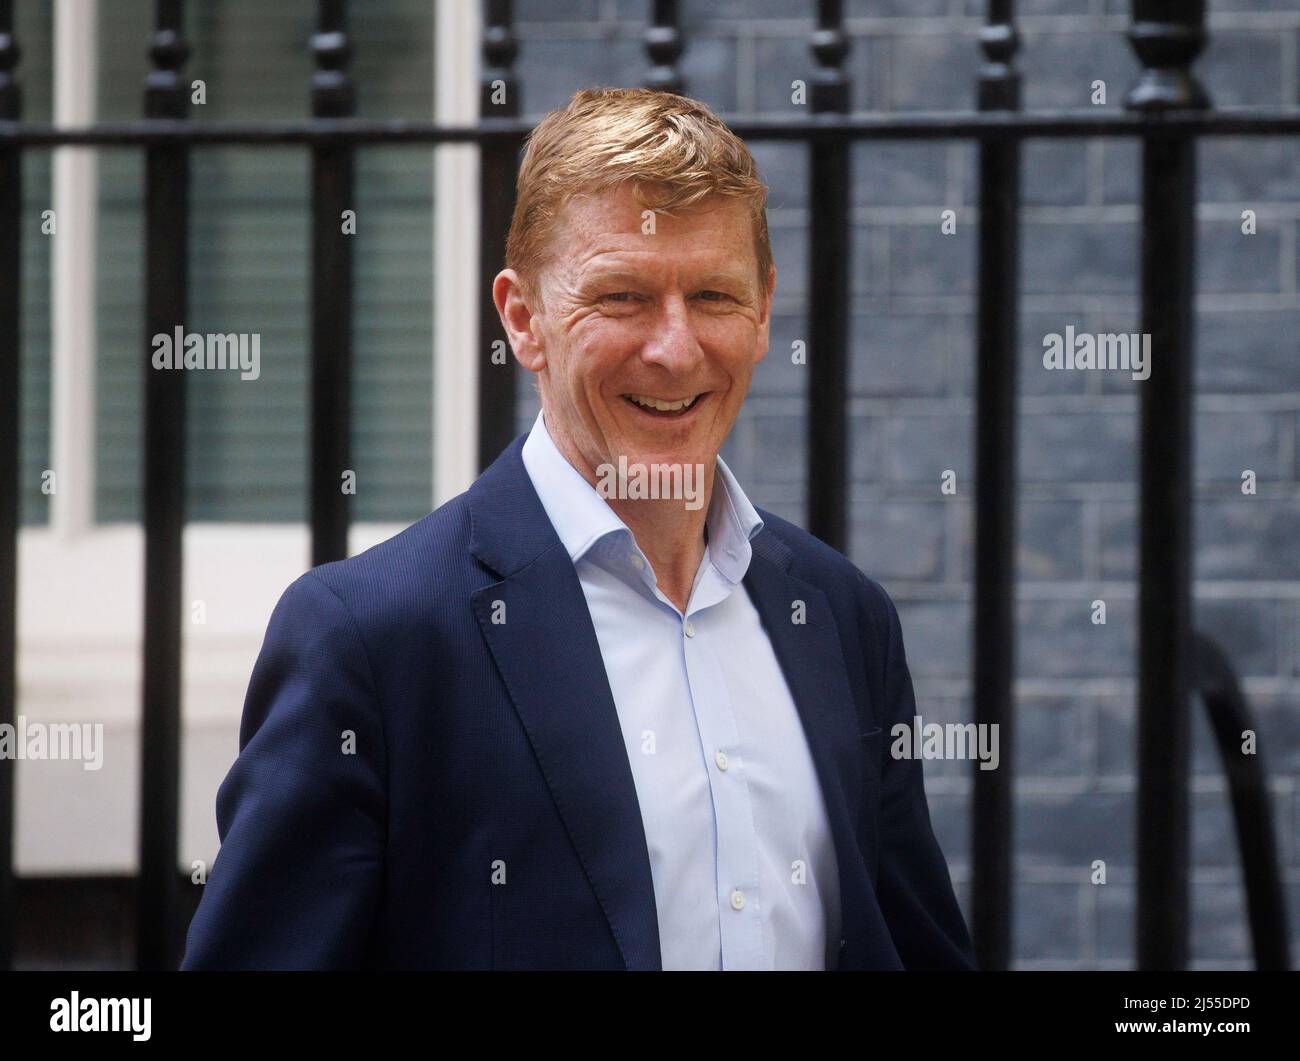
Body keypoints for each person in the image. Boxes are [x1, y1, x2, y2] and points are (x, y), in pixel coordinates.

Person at [180, 87, 975, 971]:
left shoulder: (840, 613)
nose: (675, 349)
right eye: (624, 297)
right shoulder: (371, 637)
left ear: (763, 312)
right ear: (524, 319)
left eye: (713, 295)